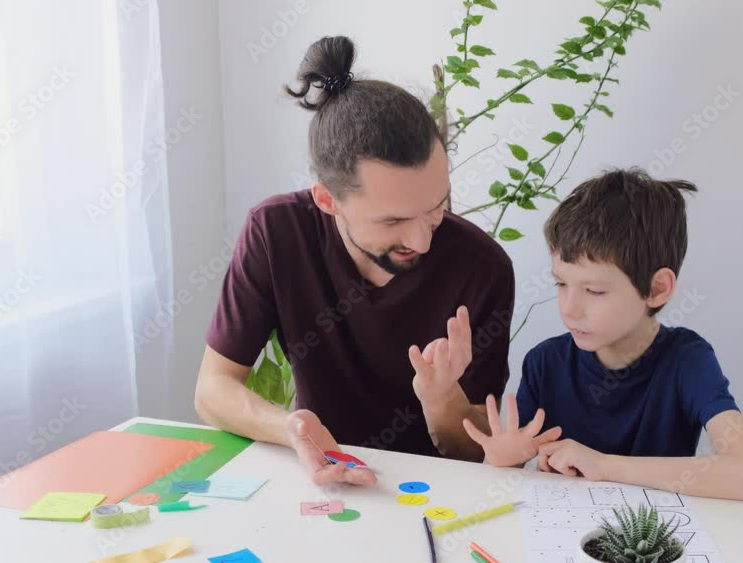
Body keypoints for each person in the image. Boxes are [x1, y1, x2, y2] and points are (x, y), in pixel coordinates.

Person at [194, 36, 515, 487]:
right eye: (394, 220)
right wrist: (293, 429)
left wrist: (442, 399)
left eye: (436, 207)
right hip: (323, 479)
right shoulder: (276, 233)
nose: (422, 240)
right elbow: (213, 390)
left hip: (437, 494)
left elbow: (474, 453)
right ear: (327, 199)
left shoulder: (483, 267)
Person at [463, 168, 743, 502]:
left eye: (594, 291)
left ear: (656, 289)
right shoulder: (544, 363)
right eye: (561, 284)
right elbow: (507, 485)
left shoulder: (688, 361)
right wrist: (501, 458)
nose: (569, 308)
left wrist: (603, 466)